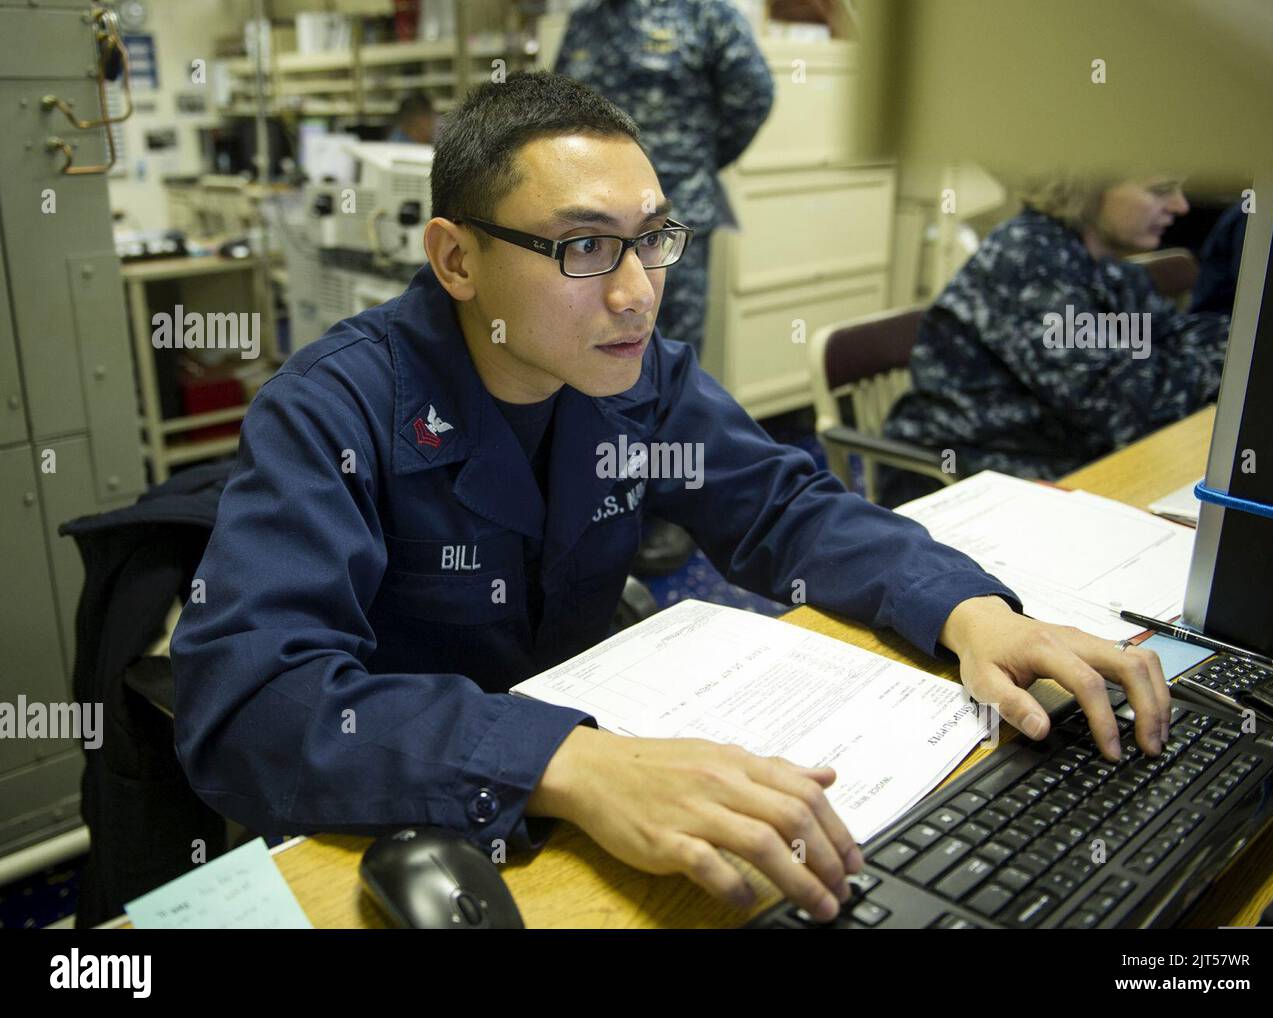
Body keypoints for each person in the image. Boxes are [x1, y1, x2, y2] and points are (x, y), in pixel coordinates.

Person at [171, 75, 1171, 925]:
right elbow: (253, 702)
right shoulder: (331, 410)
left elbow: (784, 508)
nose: (636, 292)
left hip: (595, 767)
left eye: (651, 239)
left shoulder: (634, 376)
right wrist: (567, 761)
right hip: (409, 802)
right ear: (456, 259)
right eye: (583, 248)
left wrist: (968, 609)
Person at [555, 0, 775, 573]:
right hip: (587, 232)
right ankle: (597, 501)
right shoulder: (588, 20)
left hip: (666, 226)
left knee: (662, 366)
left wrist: (688, 163)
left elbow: (753, 98)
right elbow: (556, 117)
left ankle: (666, 514)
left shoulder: (705, 15)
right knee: (591, 362)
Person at [879, 177, 1230, 508]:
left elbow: (1174, 336)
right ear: (1090, 186)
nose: (1180, 206)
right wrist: (1197, 365)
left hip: (1061, 460)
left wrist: (1181, 364)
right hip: (972, 480)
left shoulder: (1100, 260)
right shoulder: (1030, 258)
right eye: (1161, 190)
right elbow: (1127, 406)